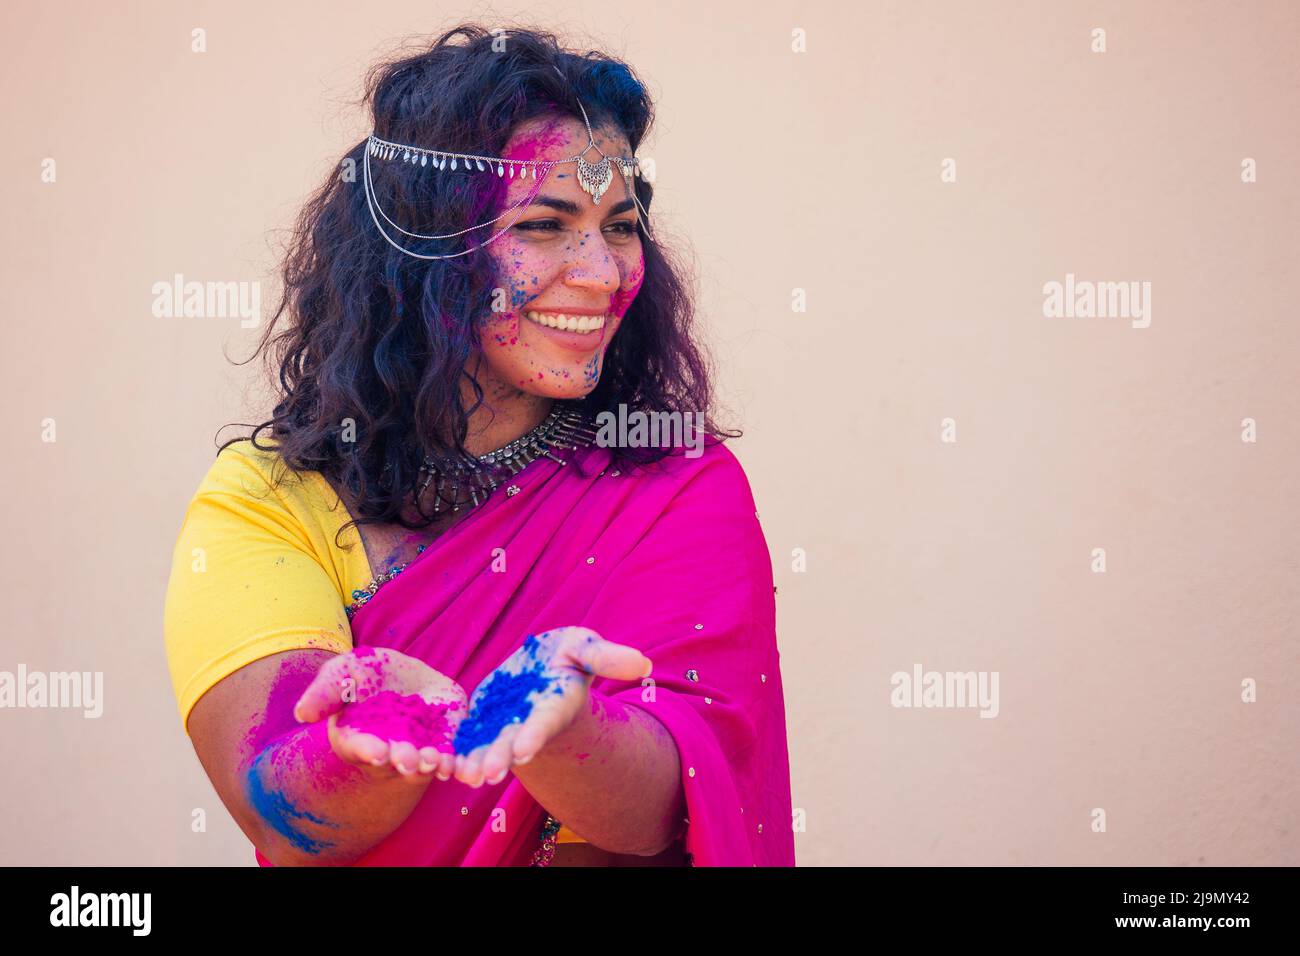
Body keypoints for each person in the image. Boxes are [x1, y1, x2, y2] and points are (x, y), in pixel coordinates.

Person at [163, 24, 795, 867]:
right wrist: (366, 736)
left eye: (619, 225)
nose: (604, 275)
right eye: (543, 224)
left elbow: (672, 809)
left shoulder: (677, 485)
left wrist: (562, 724)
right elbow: (282, 815)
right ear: (416, 253)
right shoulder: (266, 499)